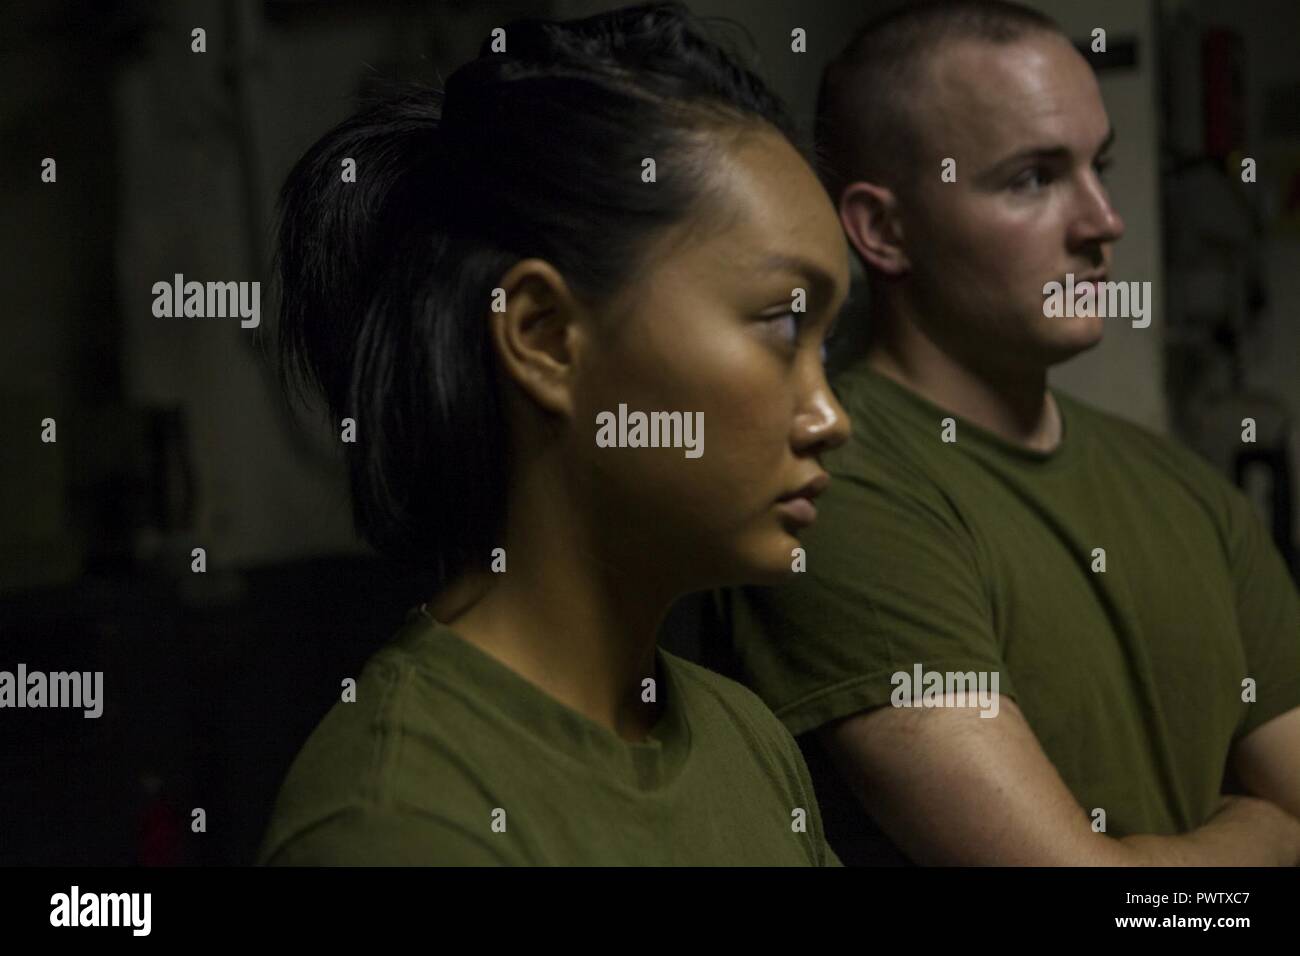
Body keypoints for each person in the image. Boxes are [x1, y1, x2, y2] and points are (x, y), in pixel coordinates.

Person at [257, 1, 852, 866]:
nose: (830, 417)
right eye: (779, 327)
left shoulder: (742, 738)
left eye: (826, 345)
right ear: (543, 337)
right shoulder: (400, 823)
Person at [714, 0, 1300, 865]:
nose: (1104, 222)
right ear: (883, 229)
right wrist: (1263, 833)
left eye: (1099, 166)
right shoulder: (826, 483)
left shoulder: (1189, 491)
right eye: (1034, 178)